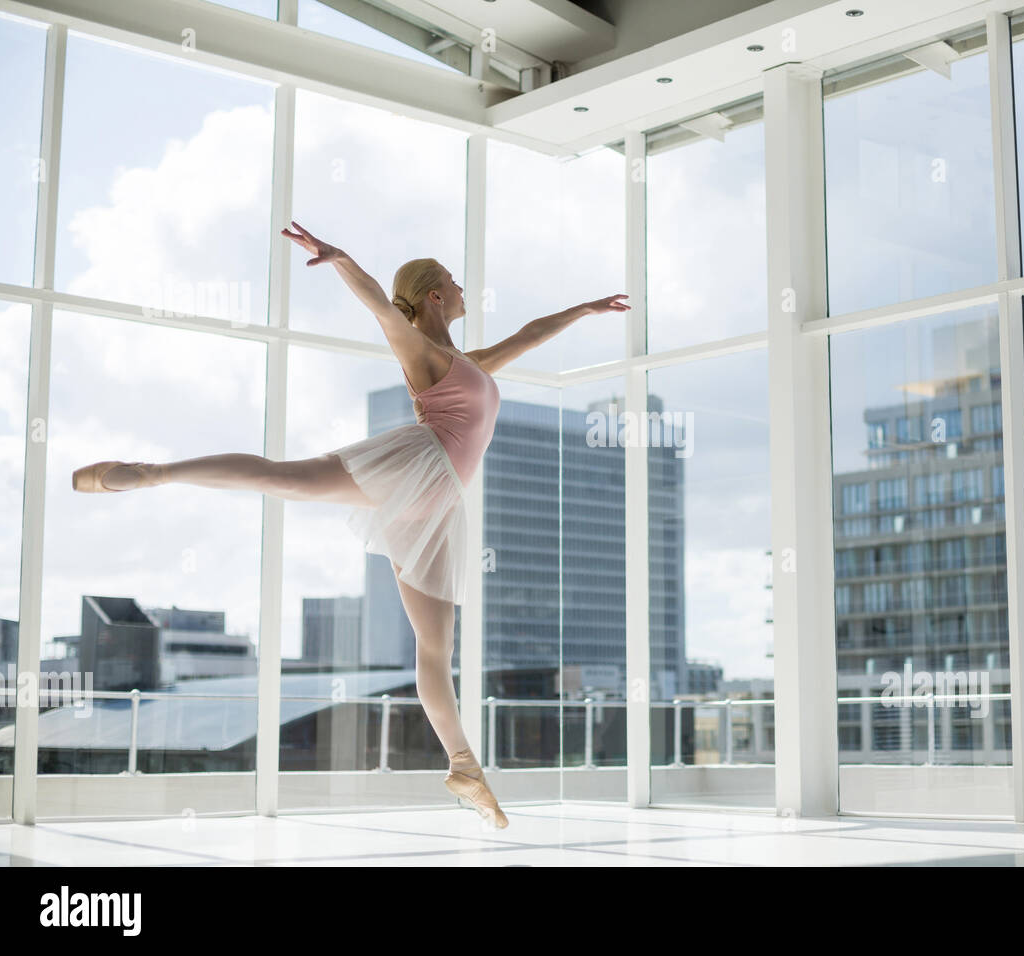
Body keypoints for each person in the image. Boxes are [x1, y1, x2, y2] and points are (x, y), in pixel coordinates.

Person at [71, 220, 629, 829]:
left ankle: (463, 766)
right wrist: (341, 260)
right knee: (286, 478)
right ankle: (152, 472)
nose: (465, 289)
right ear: (436, 295)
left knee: (435, 651)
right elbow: (379, 309)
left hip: (438, 504)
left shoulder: (469, 359)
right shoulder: (424, 349)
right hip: (419, 468)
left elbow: (532, 333)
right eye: (454, 281)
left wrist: (587, 308)